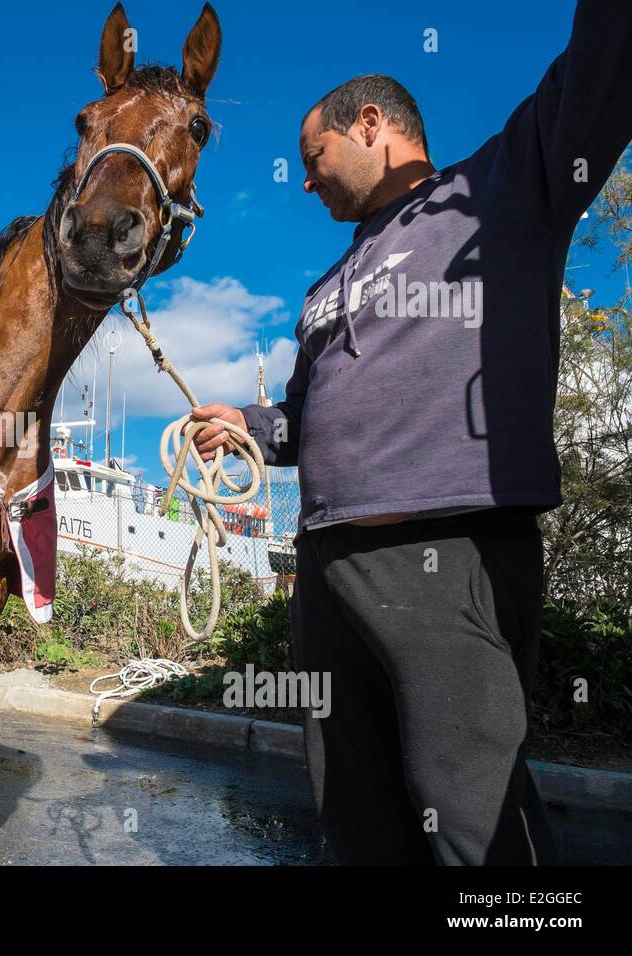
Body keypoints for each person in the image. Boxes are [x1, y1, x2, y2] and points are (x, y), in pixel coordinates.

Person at [191, 1, 632, 864]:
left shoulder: (504, 186)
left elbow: (602, 65)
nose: (306, 183)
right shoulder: (326, 282)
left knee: (473, 815)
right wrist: (244, 425)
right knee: (352, 817)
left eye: (311, 160)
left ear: (371, 125)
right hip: (326, 571)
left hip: (450, 552)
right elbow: (306, 416)